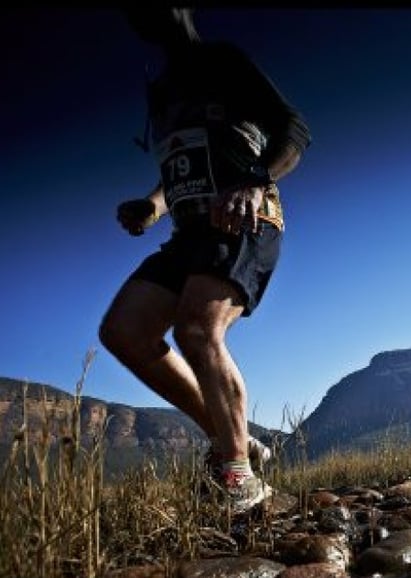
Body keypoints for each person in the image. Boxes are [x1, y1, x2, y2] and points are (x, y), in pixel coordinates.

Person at [99, 8, 311, 514]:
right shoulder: (161, 90)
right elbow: (181, 163)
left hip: (242, 218)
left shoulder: (221, 60)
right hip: (187, 231)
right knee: (124, 331)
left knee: (197, 329)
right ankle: (232, 441)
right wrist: (153, 204)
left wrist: (256, 181)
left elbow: (294, 131)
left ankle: (239, 474)